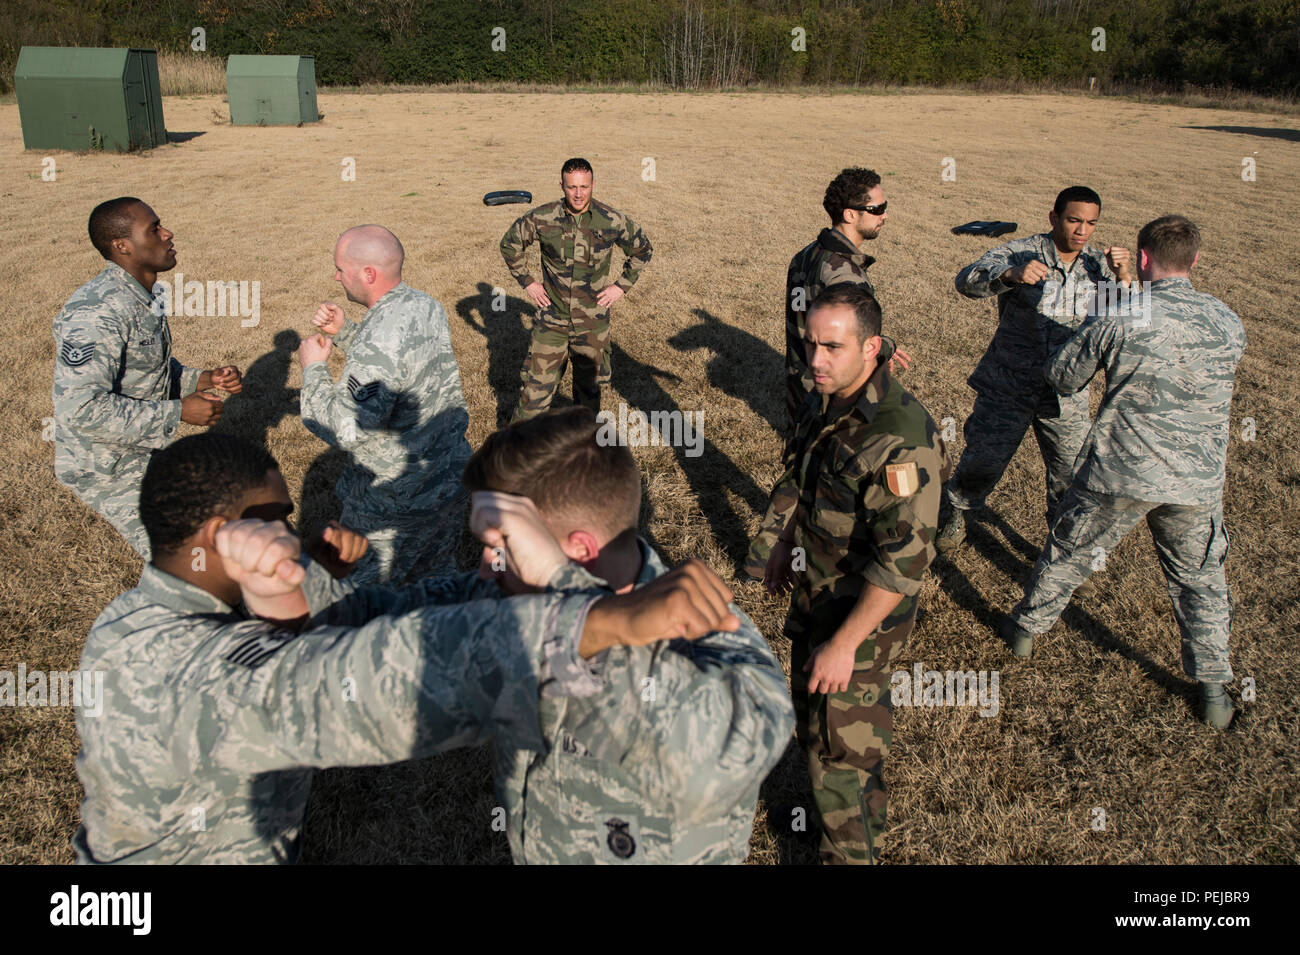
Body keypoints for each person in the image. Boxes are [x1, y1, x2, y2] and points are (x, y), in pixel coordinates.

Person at [74, 432, 738, 864]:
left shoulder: (180, 605)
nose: (297, 532)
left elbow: (375, 619)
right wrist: (599, 622)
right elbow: (384, 679)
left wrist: (327, 581)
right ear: (225, 534)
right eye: (278, 521)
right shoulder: (166, 664)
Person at [460, 407, 794, 863]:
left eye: (502, 547)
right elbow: (395, 619)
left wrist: (568, 595)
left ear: (576, 553)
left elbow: (713, 764)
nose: (485, 566)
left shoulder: (714, 640)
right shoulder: (514, 593)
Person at [999, 216, 1246, 730]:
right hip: (1196, 480)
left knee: (1069, 554)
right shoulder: (1227, 320)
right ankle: (1215, 693)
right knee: (1199, 580)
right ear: (1195, 261)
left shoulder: (1124, 314)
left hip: (1119, 469)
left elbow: (1063, 377)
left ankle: (1023, 636)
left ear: (1143, 258)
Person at [748, 283, 949, 864]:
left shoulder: (902, 439)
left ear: (872, 348)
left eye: (832, 347)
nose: (815, 361)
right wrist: (782, 540)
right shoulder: (829, 397)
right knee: (830, 740)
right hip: (820, 596)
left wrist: (844, 644)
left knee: (837, 755)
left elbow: (902, 564)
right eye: (811, 344)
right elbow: (804, 473)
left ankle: (850, 848)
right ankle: (859, 822)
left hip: (858, 618)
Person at [937, 186, 1132, 554]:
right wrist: (1010, 274)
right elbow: (966, 281)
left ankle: (1064, 549)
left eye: (1091, 223)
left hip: (1066, 394)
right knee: (983, 462)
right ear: (1054, 218)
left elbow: (1132, 321)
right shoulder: (1023, 251)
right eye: (1074, 220)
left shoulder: (1098, 266)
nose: (1083, 231)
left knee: (1070, 478)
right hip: (1009, 384)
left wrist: (1124, 276)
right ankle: (956, 514)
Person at [52, 197, 243, 558]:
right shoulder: (96, 312)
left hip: (139, 448)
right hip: (104, 462)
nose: (167, 234)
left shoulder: (143, 294)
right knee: (188, 555)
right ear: (121, 246)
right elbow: (80, 408)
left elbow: (144, 370)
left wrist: (202, 379)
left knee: (216, 532)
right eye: (153, 229)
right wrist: (178, 412)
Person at [301, 224, 472, 583]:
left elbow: (345, 427)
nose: (336, 277)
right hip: (445, 480)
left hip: (394, 501)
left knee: (362, 598)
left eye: (340, 269)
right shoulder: (424, 304)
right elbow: (398, 363)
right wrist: (346, 332)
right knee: (435, 582)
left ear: (368, 274)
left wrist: (314, 369)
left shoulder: (383, 334)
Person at [499, 157, 652, 422]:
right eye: (572, 187)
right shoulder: (543, 217)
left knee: (588, 396)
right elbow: (510, 244)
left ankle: (583, 454)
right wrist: (528, 282)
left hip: (592, 324)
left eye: (584, 186)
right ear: (562, 186)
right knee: (533, 395)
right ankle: (517, 455)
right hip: (552, 321)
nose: (578, 194)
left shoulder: (611, 220)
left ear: (593, 184)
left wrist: (620, 286)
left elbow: (642, 249)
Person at [785, 167, 888, 447]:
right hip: (828, 390)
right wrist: (885, 345)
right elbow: (850, 342)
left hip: (799, 379)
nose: (885, 215)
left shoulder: (807, 253)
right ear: (850, 215)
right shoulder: (846, 277)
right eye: (877, 208)